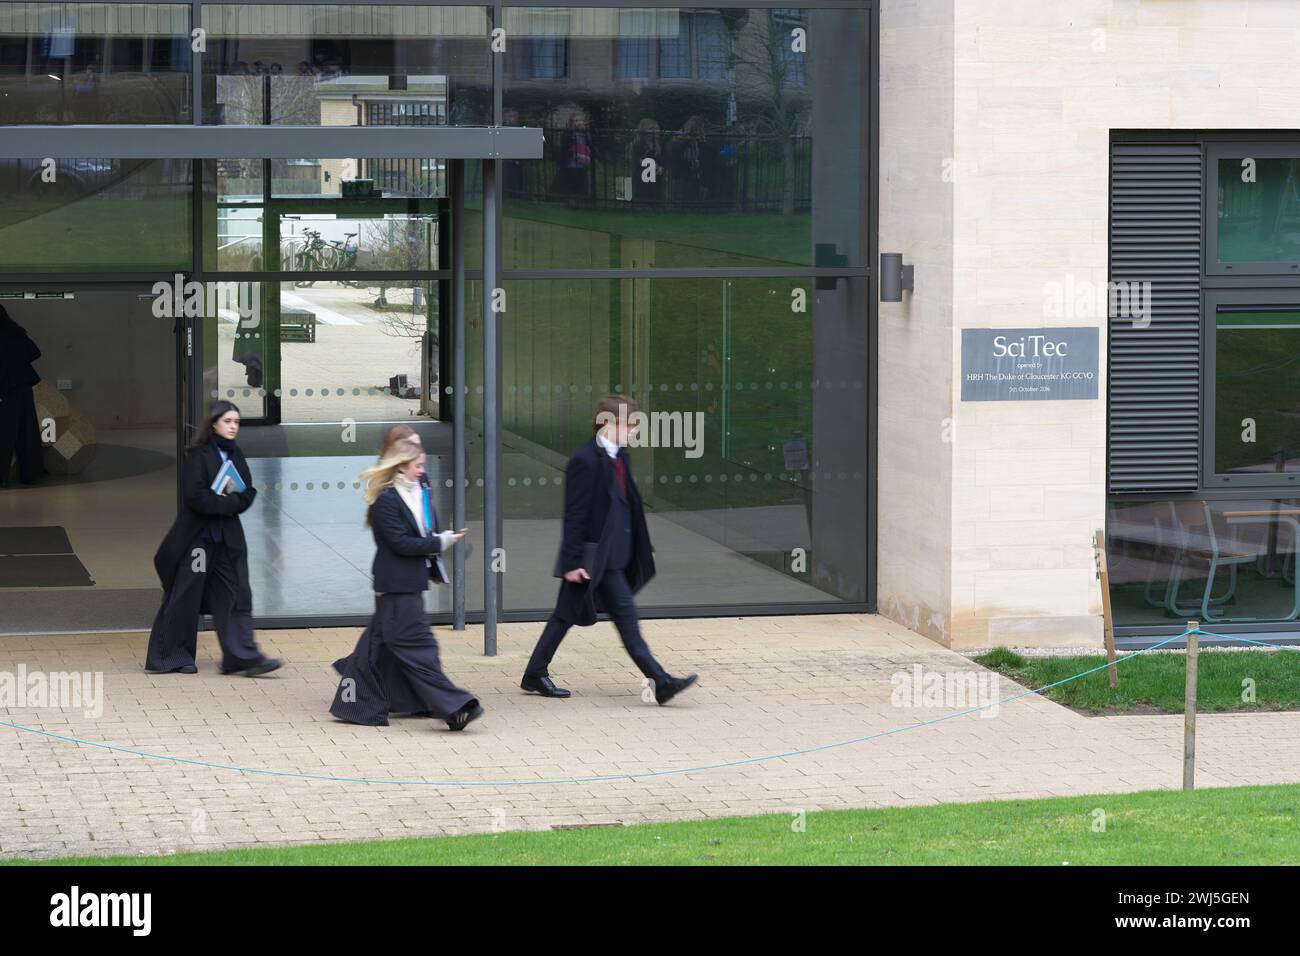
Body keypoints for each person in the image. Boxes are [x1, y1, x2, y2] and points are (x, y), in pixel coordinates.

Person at [521, 394, 697, 704]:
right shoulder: (584, 461)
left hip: (613, 557)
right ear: (606, 423)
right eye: (628, 424)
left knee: (577, 618)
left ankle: (535, 674)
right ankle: (660, 681)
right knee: (599, 617)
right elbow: (574, 516)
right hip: (593, 560)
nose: (632, 430)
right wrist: (572, 562)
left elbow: (626, 508)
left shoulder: (619, 456)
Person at [329, 438, 482, 731]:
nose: (421, 471)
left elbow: (424, 530)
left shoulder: (416, 494)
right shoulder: (387, 500)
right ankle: (454, 707)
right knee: (419, 648)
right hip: (396, 586)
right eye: (417, 466)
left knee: (377, 650)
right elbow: (400, 543)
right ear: (401, 466)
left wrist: (438, 542)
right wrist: (441, 541)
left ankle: (356, 706)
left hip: (409, 583)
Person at [145, 401, 281, 677]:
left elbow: (247, 493)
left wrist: (227, 502)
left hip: (227, 539)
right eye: (228, 421)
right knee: (185, 594)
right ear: (214, 423)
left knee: (235, 594)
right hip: (198, 539)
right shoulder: (198, 455)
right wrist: (227, 503)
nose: (233, 426)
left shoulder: (236, 454)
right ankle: (172, 656)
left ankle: (242, 656)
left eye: (236, 422)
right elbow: (195, 497)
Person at [0, 305, 45, 488]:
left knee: (4, 435)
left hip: (6, 390)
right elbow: (36, 352)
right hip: (25, 388)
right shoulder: (17, 332)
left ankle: (1, 477)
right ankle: (31, 474)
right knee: (27, 432)